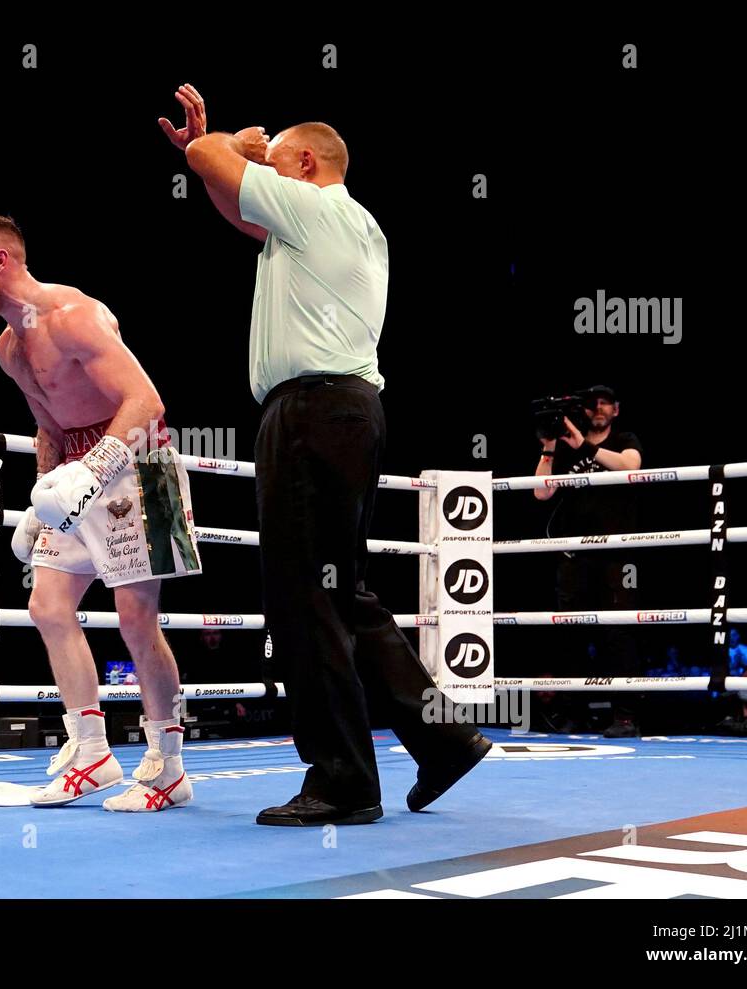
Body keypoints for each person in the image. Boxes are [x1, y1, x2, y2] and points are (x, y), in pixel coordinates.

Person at [172, 85, 488, 826]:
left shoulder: (314, 208)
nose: (264, 173)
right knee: (341, 591)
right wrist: (211, 159)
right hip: (342, 410)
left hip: (314, 410)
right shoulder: (339, 224)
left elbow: (222, 166)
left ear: (304, 163)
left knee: (304, 597)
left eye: (277, 162)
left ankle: (344, 777)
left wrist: (228, 145)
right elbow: (232, 202)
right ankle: (443, 737)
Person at [0, 214, 203, 812]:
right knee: (46, 606)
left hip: (141, 464)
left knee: (136, 621)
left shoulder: (74, 315)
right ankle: (91, 750)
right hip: (76, 474)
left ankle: (169, 765)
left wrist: (94, 469)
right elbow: (50, 423)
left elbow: (147, 401)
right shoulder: (9, 348)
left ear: (0, 261)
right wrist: (40, 500)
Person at [534, 385, 644, 737]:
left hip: (616, 557)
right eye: (592, 404)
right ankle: (573, 713)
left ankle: (625, 716)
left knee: (617, 635)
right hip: (573, 556)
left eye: (605, 403)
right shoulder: (567, 447)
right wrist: (550, 448)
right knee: (570, 637)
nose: (598, 408)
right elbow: (541, 491)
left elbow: (630, 466)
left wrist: (586, 447)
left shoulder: (625, 438)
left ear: (616, 409)